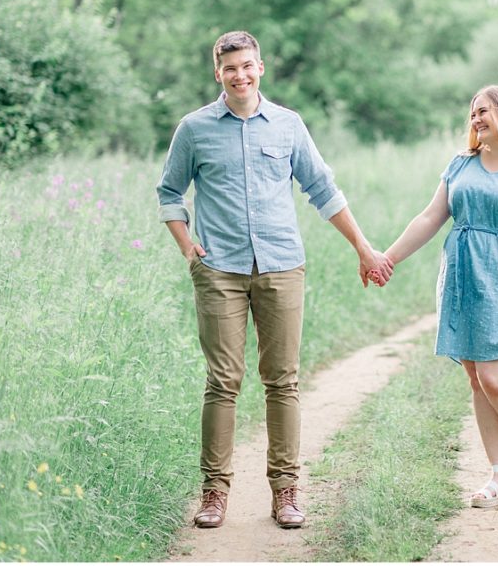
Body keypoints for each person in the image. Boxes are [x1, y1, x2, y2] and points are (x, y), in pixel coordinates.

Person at [156, 31, 394, 530]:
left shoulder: (288, 126)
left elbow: (322, 189)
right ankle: (214, 494)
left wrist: (363, 246)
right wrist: (187, 248)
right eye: (229, 69)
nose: (239, 75)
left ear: (261, 67)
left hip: (282, 267)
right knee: (223, 382)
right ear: (217, 74)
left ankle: (286, 492)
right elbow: (170, 192)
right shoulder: (194, 129)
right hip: (219, 268)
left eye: (247, 66)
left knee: (282, 381)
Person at [378, 85, 498, 506]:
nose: (476, 120)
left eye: (483, 112)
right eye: (472, 114)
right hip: (463, 278)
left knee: (496, 377)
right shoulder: (461, 165)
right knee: (477, 380)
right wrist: (387, 258)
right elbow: (430, 218)